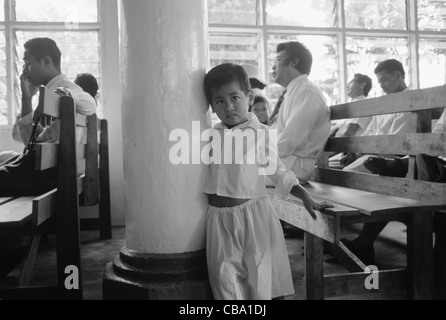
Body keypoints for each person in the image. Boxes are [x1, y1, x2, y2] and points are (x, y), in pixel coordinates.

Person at [203, 63, 332, 300]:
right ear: (211, 105)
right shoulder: (211, 135)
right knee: (224, 281)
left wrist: (304, 195)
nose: (229, 107)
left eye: (234, 98)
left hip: (253, 217)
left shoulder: (261, 133)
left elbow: (279, 171)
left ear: (249, 96)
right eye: (220, 101)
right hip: (218, 219)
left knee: (262, 277)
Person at [0, 37, 96, 280]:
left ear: (47, 60)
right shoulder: (48, 93)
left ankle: (10, 249)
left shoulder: (61, 88)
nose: (24, 70)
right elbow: (24, 138)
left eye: (28, 62)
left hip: (42, 176)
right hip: (40, 171)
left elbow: (90, 102)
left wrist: (65, 95)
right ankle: (10, 247)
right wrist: (27, 97)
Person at [268, 41, 331, 183]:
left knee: (233, 172)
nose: (273, 66)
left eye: (278, 60)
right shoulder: (293, 92)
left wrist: (258, 153)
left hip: (294, 166)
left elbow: (290, 141)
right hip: (285, 161)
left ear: (294, 62)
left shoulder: (307, 92)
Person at [342, 59, 411, 171]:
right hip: (371, 153)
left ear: (398, 75)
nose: (382, 86)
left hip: (391, 158)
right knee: (335, 168)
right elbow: (369, 133)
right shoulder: (383, 104)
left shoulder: (410, 102)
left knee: (347, 172)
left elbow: (394, 144)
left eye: (384, 80)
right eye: (379, 83)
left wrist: (359, 154)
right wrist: (356, 153)